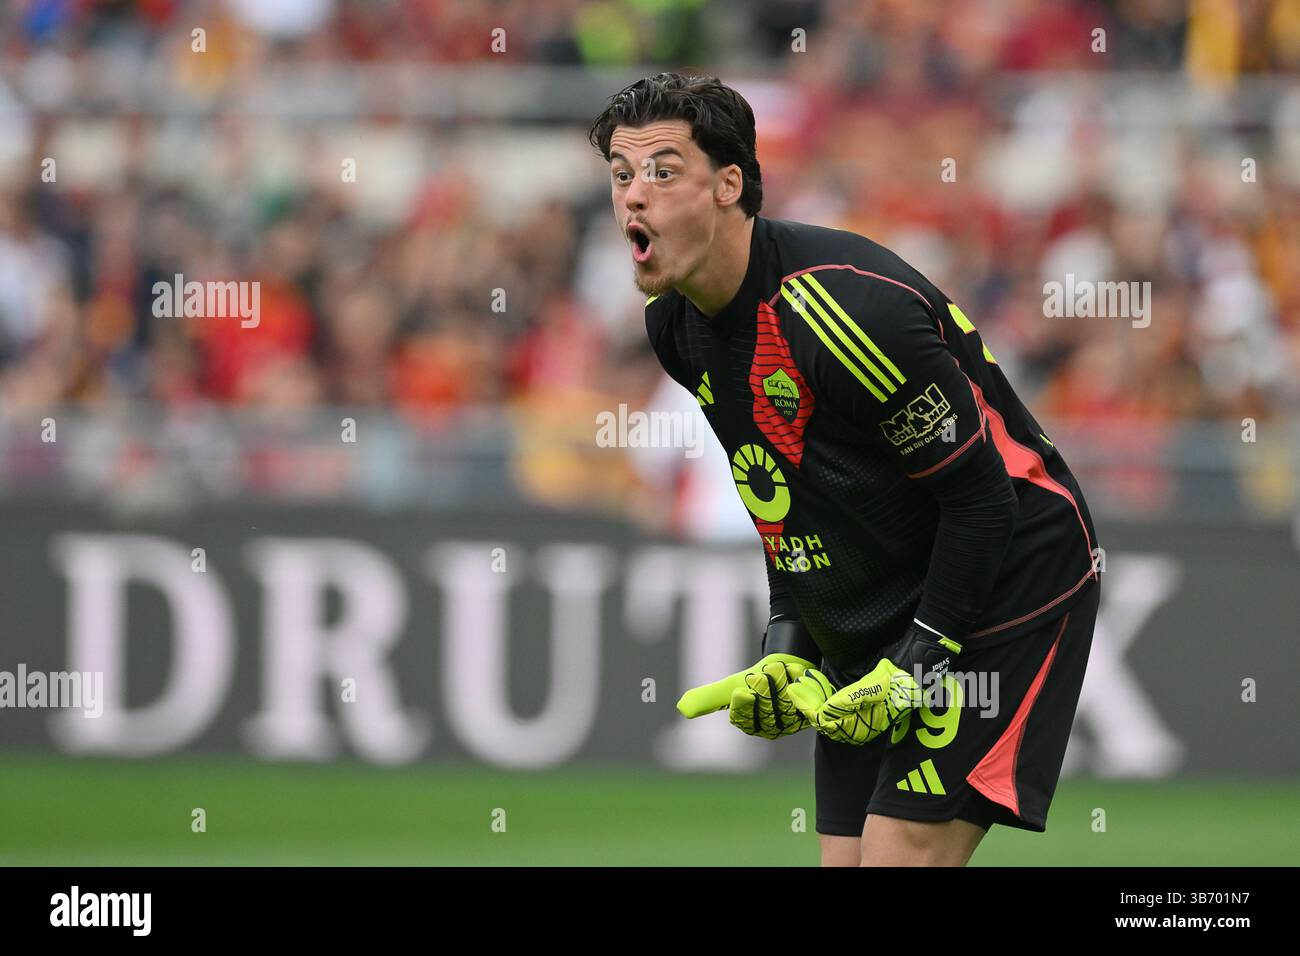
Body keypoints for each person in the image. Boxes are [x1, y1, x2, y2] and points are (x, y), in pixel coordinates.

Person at [589, 72, 1101, 867]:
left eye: (662, 171)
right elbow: (783, 499)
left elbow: (984, 503)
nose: (633, 197)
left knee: (899, 855)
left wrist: (918, 662)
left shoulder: (845, 313)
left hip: (1011, 568)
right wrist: (787, 640)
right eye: (622, 176)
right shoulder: (676, 328)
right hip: (891, 585)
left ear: (730, 185)